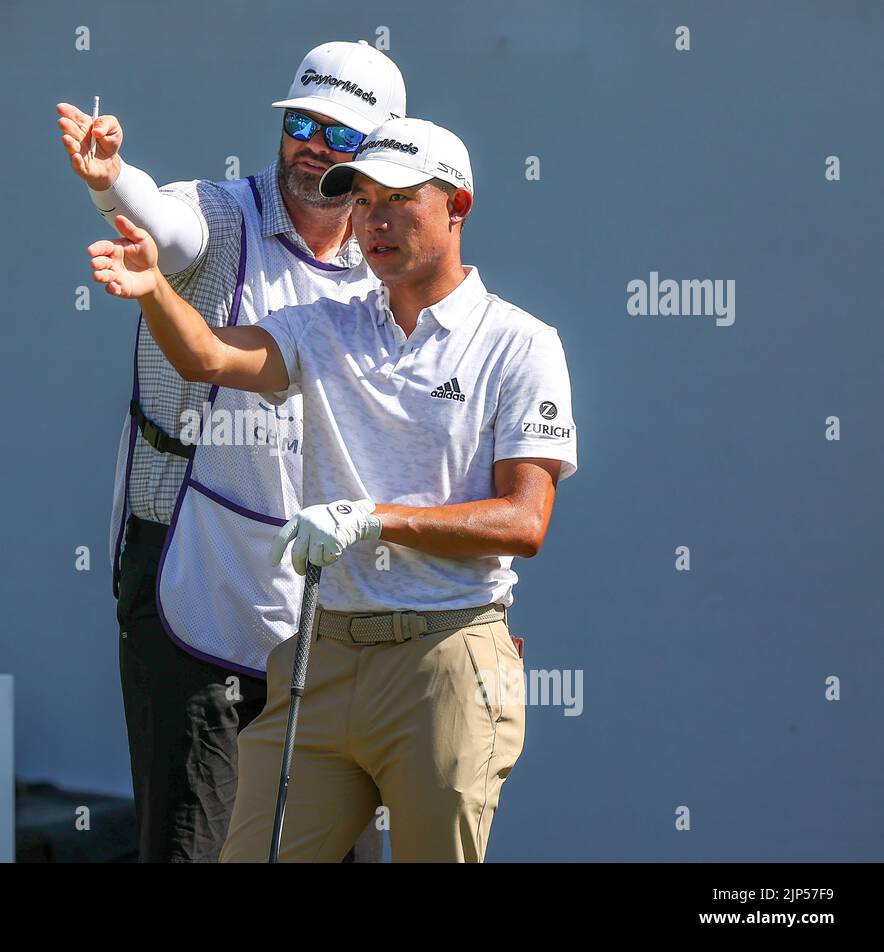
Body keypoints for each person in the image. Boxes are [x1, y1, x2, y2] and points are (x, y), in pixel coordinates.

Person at [85, 117, 579, 862]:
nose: (372, 221)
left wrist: (373, 520)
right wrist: (153, 286)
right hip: (323, 656)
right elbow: (210, 355)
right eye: (364, 201)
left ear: (458, 207)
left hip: (445, 658)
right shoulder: (328, 325)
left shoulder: (520, 343)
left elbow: (523, 521)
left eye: (398, 201)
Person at [56, 40, 406, 861]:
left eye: (342, 135)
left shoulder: (385, 267)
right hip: (188, 583)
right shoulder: (223, 213)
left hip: (324, 606)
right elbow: (162, 225)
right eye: (303, 124)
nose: (314, 144)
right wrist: (111, 181)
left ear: (380, 156)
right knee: (194, 844)